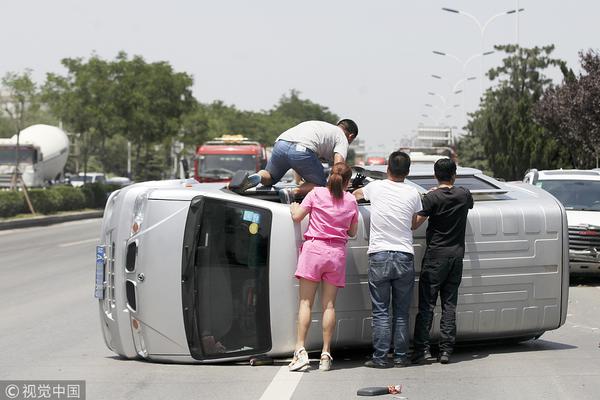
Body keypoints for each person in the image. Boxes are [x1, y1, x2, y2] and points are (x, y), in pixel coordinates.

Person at [353, 151, 423, 368]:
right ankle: (401, 357)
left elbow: (354, 195)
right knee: (401, 312)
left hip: (379, 255)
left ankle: (381, 358)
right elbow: (413, 223)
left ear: (388, 169)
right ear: (408, 172)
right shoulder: (413, 193)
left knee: (381, 311)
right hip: (404, 256)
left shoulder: (376, 187)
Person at [287, 162, 358, 372]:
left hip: (314, 251)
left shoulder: (316, 194)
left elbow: (297, 216)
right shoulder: (351, 200)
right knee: (328, 306)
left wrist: (293, 207)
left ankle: (300, 351)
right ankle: (326, 354)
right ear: (348, 181)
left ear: (330, 177)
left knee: (306, 303)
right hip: (336, 254)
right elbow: (352, 232)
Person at [411, 158, 473, 365]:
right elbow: (469, 204)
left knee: (427, 305)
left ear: (435, 175)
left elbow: (414, 224)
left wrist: (427, 198)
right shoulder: (464, 194)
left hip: (435, 257)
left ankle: (422, 350)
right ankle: (446, 351)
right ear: (454, 174)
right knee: (449, 305)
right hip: (456, 257)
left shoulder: (432, 198)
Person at [229, 119, 358, 203]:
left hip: (281, 143)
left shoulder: (322, 127)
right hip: (302, 150)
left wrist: (299, 182)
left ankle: (256, 176)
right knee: (320, 185)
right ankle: (290, 193)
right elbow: (338, 167)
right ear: (351, 136)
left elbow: (299, 162)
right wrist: (339, 188)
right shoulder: (342, 137)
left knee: (271, 177)